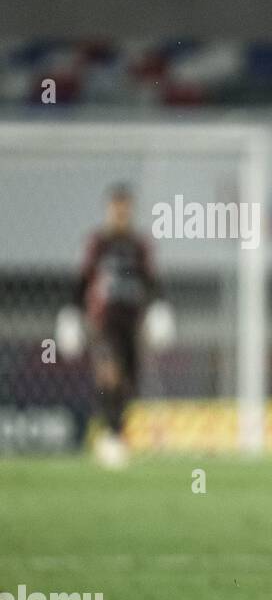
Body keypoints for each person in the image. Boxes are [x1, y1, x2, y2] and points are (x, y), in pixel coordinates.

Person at [58, 182, 174, 468]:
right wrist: (71, 313)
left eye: (125, 209)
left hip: (132, 323)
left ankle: (116, 433)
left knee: (128, 382)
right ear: (109, 210)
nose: (121, 215)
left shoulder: (139, 244)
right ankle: (109, 434)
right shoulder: (98, 243)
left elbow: (151, 280)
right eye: (116, 209)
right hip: (104, 321)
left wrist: (159, 308)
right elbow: (83, 279)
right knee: (109, 375)